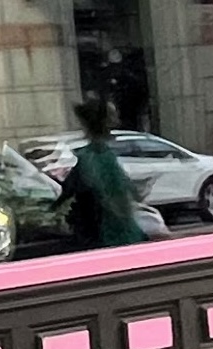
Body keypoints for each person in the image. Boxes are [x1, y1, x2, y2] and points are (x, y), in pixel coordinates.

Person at [58, 97, 156, 250]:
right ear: (104, 122)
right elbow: (113, 197)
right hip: (111, 236)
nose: (117, 120)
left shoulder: (93, 156)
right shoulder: (98, 156)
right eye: (112, 115)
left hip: (108, 234)